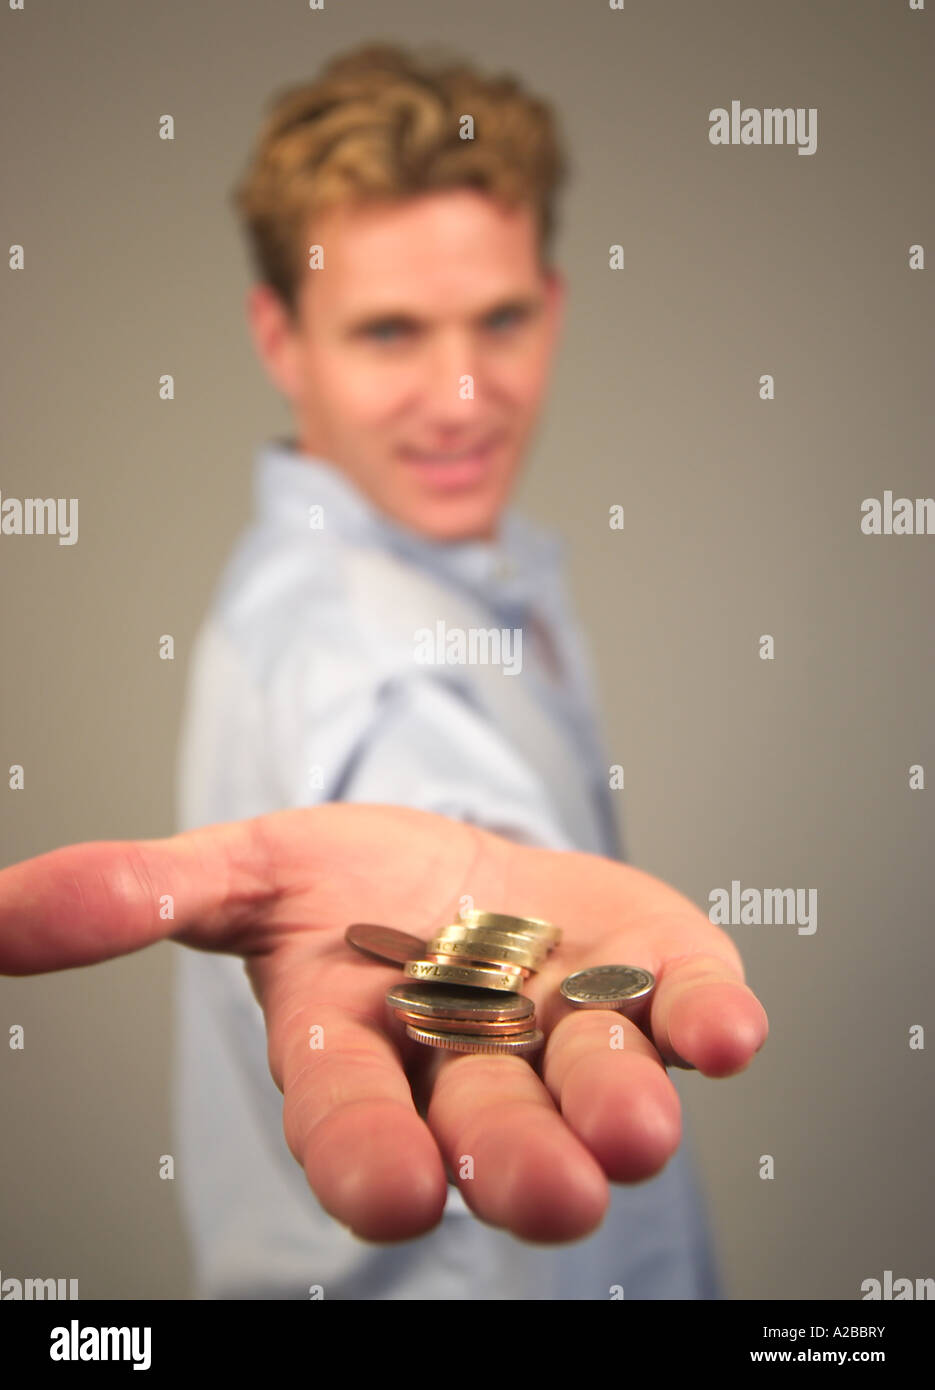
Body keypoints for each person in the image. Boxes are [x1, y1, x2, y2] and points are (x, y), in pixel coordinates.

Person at [0, 42, 768, 1300]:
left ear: (555, 305)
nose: (460, 397)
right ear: (281, 337)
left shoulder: (448, 568)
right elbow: (430, 790)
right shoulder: (351, 646)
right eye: (391, 332)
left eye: (500, 321)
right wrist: (485, 924)